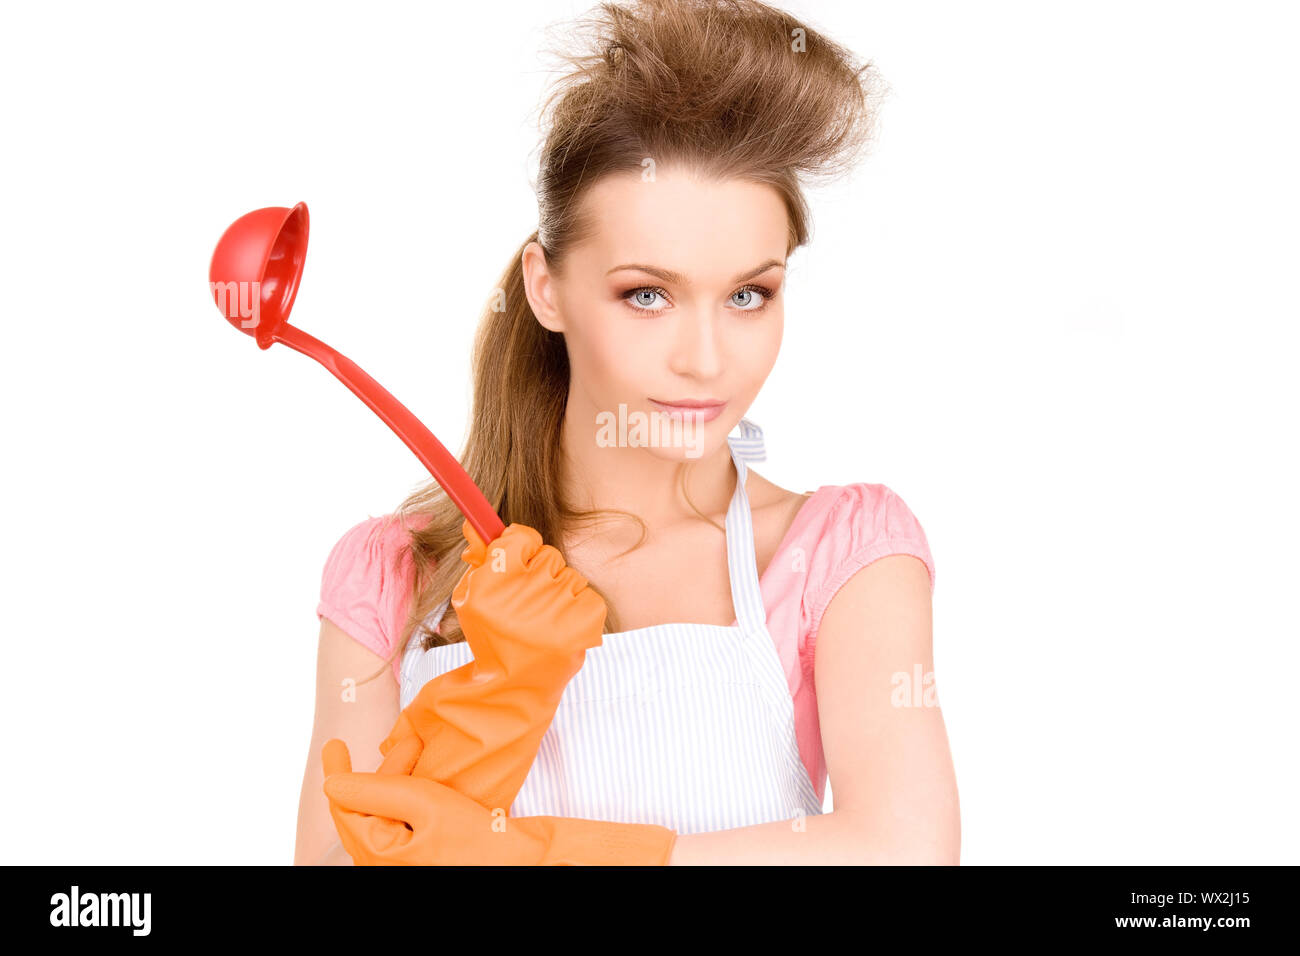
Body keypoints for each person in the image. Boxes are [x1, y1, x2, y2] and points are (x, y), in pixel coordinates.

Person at [295, 0, 959, 865]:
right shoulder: (397, 577)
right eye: (647, 294)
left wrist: (537, 857)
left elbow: (902, 849)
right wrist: (498, 693)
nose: (707, 359)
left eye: (748, 294)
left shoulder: (840, 553)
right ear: (545, 288)